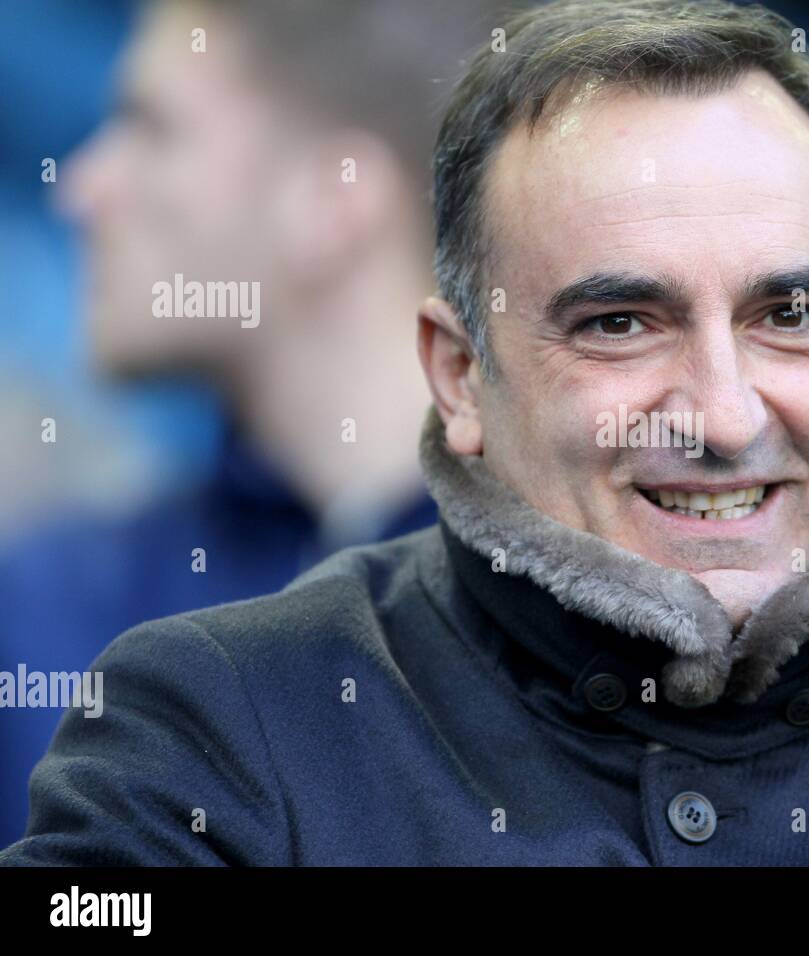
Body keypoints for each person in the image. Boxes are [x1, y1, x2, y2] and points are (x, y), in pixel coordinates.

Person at [0, 0, 809, 865]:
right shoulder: (208, 736)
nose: (725, 410)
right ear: (458, 374)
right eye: (622, 322)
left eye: (789, 314)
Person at [0, 0, 503, 846]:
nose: (83, 188)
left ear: (332, 201)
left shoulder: (568, 592)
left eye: (150, 128)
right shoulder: (50, 606)